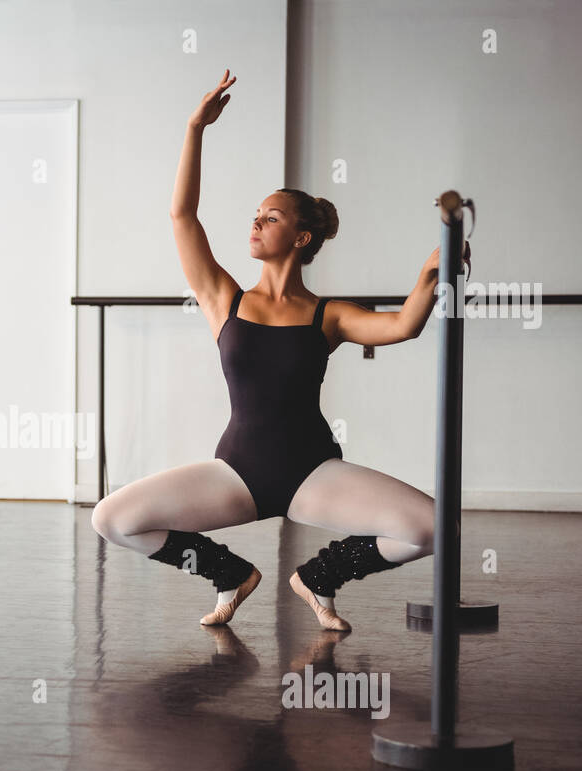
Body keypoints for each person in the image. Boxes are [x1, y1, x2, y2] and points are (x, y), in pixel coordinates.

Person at [91, 68, 465, 630]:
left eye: (271, 217)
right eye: (255, 216)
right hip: (236, 470)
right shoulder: (224, 298)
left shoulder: (328, 314)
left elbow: (403, 326)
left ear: (301, 237)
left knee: (433, 529)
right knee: (113, 518)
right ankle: (227, 573)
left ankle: (322, 577)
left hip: (312, 470)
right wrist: (196, 128)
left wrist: (430, 274)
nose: (256, 224)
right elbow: (182, 216)